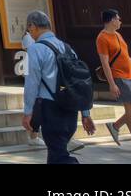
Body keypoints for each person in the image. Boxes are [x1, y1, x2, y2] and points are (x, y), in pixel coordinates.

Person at [22, 10, 96, 164]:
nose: (30, 34)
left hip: (50, 108)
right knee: (57, 150)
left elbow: (32, 82)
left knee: (59, 156)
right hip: (71, 107)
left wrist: (28, 112)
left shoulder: (35, 49)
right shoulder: (68, 48)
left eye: (29, 31)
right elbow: (80, 82)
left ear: (33, 26)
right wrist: (85, 113)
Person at [96, 8, 131, 154]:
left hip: (129, 75)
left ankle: (115, 126)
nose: (120, 20)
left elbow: (126, 57)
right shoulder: (102, 38)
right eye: (118, 18)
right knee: (130, 110)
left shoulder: (118, 35)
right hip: (119, 76)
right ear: (111, 20)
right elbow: (104, 63)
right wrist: (112, 84)